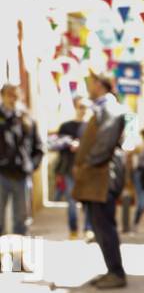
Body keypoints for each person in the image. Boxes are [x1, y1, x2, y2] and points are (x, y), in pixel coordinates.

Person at [72, 71, 128, 289]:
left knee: (104, 226)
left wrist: (87, 163)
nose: (88, 86)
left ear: (100, 84)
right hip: (97, 176)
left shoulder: (111, 108)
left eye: (91, 83)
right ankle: (111, 270)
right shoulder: (102, 109)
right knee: (99, 226)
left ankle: (116, 272)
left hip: (103, 175)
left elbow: (105, 142)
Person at [0, 81, 43, 236]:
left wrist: (31, 166)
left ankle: (18, 258)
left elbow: (38, 147)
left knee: (21, 221)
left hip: (21, 176)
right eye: (9, 95)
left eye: (16, 95)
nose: (13, 99)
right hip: (1, 174)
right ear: (2, 96)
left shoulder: (27, 118)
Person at [52, 97, 92, 238]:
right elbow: (55, 144)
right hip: (70, 169)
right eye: (81, 106)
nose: (83, 110)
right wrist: (69, 143)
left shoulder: (92, 126)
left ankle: (88, 229)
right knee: (71, 200)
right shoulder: (66, 126)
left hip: (87, 169)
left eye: (86, 107)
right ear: (76, 107)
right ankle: (73, 229)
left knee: (89, 200)